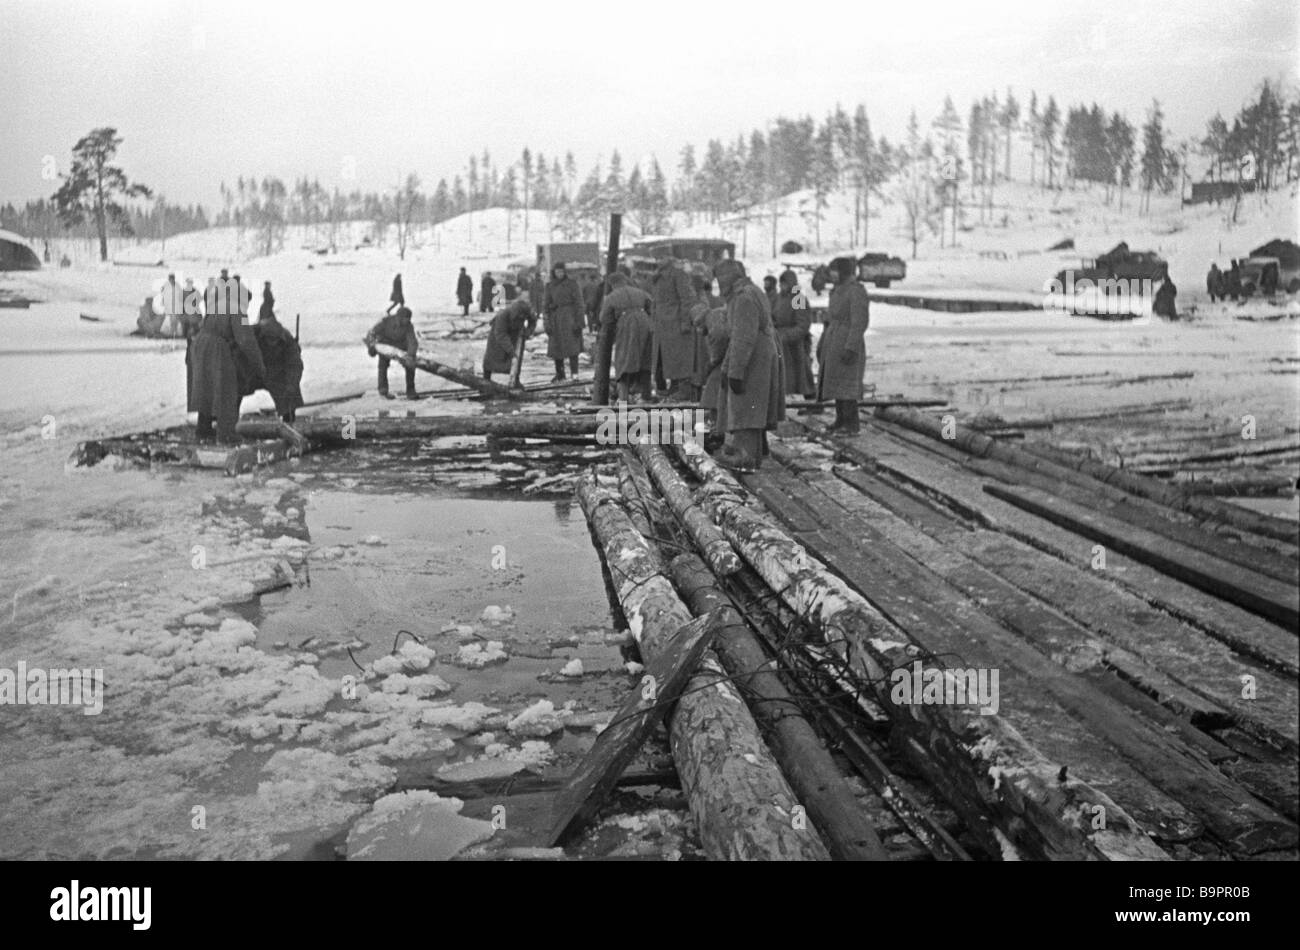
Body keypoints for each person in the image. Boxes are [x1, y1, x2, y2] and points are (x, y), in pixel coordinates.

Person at [712, 259, 782, 472]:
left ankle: (747, 456)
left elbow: (742, 338)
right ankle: (756, 451)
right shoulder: (752, 291)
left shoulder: (743, 299)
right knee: (752, 402)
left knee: (746, 402)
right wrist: (727, 367)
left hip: (754, 355)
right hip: (763, 349)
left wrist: (735, 371)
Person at [189, 286, 266, 445]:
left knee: (207, 387)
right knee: (226, 389)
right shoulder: (238, 311)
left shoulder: (217, 305)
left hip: (201, 345)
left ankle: (203, 428)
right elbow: (246, 340)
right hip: (217, 348)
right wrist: (259, 365)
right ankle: (226, 434)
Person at [817, 256, 870, 435]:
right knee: (836, 384)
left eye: (835, 270)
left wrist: (851, 347)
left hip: (847, 341)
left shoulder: (856, 291)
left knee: (848, 385)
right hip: (834, 340)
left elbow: (859, 322)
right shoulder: (837, 290)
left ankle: (852, 424)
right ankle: (840, 420)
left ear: (844, 272)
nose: (831, 274)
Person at [599, 272, 654, 403]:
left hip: (627, 324)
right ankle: (646, 395)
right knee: (645, 359)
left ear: (612, 284)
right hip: (645, 322)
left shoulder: (611, 297)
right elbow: (651, 306)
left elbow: (604, 318)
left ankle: (623, 397)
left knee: (624, 358)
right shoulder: (639, 292)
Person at [650, 257, 699, 400]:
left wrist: (685, 322)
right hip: (664, 324)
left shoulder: (678, 275)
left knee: (679, 357)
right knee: (666, 358)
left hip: (675, 323)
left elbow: (688, 298)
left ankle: (683, 389)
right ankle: (673, 386)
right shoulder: (658, 277)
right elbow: (655, 301)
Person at [253, 305, 304, 422]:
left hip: (276, 373)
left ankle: (289, 419)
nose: (271, 342)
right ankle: (226, 421)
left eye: (274, 339)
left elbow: (295, 366)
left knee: (290, 389)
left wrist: (291, 385)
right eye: (268, 339)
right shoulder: (253, 332)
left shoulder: (288, 341)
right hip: (255, 371)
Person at [772, 269, 816, 400]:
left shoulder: (798, 299)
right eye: (781, 284)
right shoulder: (779, 298)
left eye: (784, 284)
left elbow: (802, 325)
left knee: (802, 375)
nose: (782, 287)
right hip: (781, 341)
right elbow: (774, 315)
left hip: (796, 344)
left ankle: (812, 402)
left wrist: (787, 336)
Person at [365, 306, 419, 399]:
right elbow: (372, 333)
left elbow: (412, 341)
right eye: (407, 318)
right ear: (399, 317)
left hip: (401, 346)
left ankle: (410, 391)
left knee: (410, 366)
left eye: (409, 318)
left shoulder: (409, 326)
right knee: (382, 365)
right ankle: (383, 390)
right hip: (387, 345)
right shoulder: (386, 321)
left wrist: (410, 355)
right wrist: (371, 345)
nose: (408, 320)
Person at [543, 262, 585, 380]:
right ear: (554, 272)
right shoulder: (550, 286)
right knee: (557, 349)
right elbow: (545, 306)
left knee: (573, 348)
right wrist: (547, 323)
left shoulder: (572, 284)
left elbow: (579, 303)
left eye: (561, 271)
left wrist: (579, 322)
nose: (559, 274)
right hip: (555, 319)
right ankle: (560, 374)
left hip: (570, 318)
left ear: (565, 272)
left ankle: (575, 374)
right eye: (557, 272)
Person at [482, 298, 532, 384]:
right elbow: (501, 335)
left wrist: (528, 332)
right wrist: (511, 351)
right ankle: (486, 380)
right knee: (492, 357)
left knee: (516, 359)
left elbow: (533, 320)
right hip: (497, 336)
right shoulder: (503, 315)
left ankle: (515, 381)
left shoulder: (526, 311)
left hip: (516, 335)